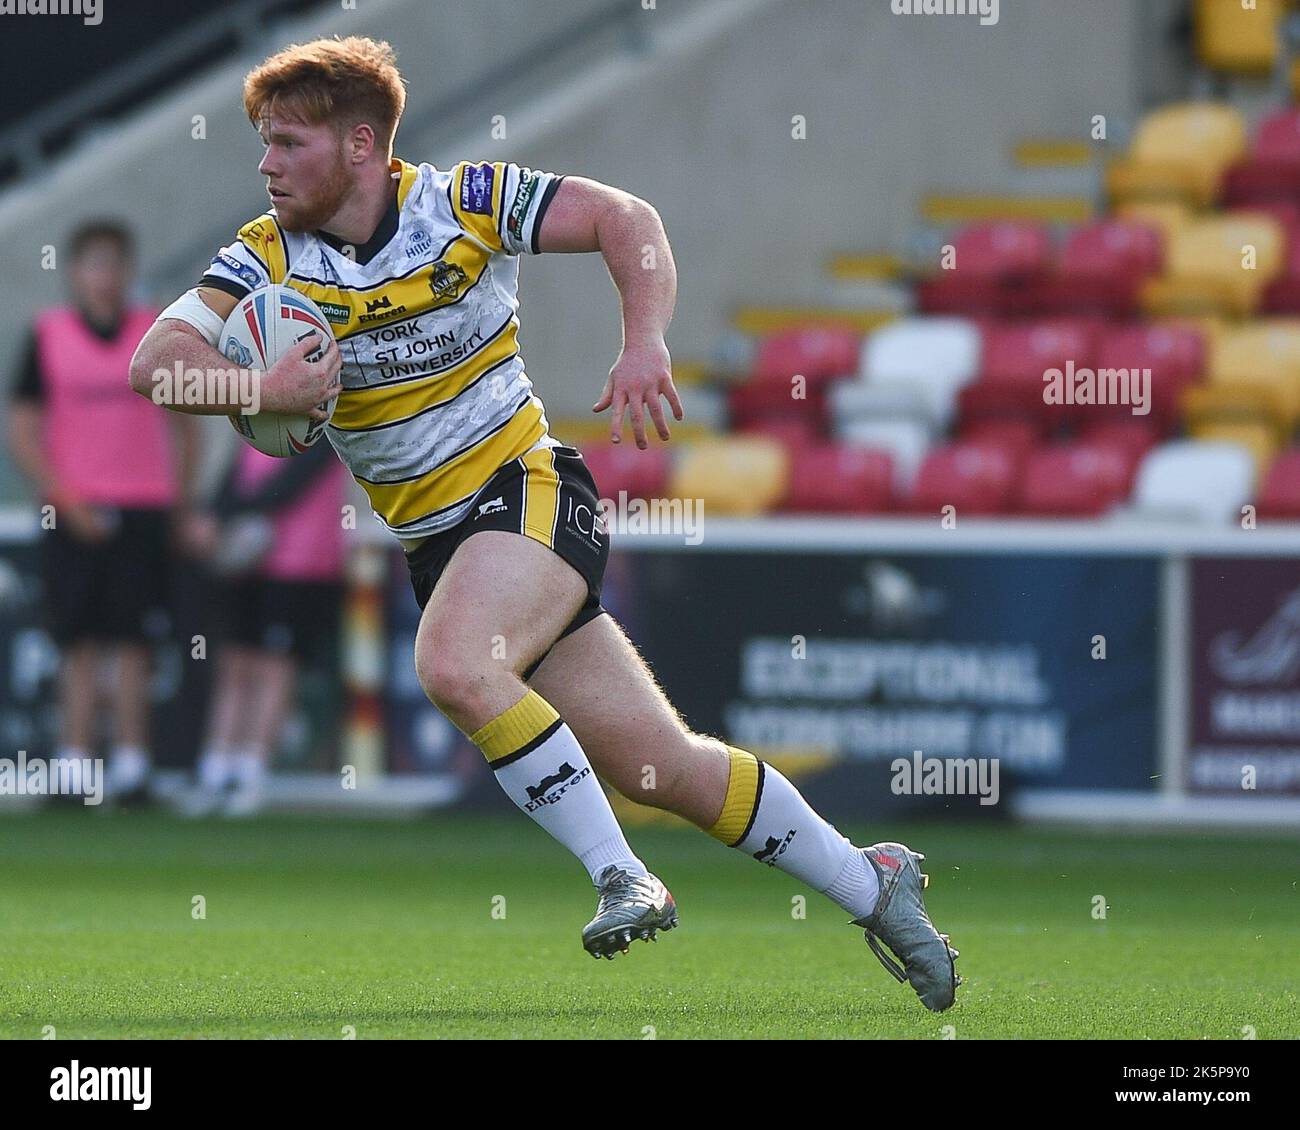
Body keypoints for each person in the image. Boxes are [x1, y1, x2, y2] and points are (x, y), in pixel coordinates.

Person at [128, 36, 959, 1009]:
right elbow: (155, 363)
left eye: (286, 143)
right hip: (441, 543)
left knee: (453, 662)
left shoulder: (460, 203)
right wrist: (255, 384)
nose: (265, 163)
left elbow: (627, 219)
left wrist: (644, 339)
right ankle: (874, 883)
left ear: (360, 145)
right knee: (663, 765)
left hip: (526, 487)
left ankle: (623, 875)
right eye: (261, 144)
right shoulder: (266, 253)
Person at [9, 219, 197, 803]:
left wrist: (180, 502)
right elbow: (21, 431)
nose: (105, 278)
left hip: (144, 505)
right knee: (77, 641)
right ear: (73, 271)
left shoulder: (154, 335)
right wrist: (66, 499)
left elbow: (186, 423)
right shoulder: (46, 336)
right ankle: (74, 768)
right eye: (94, 265)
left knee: (135, 640)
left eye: (115, 265)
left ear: (129, 270)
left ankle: (133, 768)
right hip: (73, 509)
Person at [182, 439, 348, 816]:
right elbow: (236, 471)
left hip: (300, 560)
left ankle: (251, 771)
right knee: (234, 663)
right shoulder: (257, 410)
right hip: (246, 557)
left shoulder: (325, 420)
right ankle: (216, 769)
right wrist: (213, 517)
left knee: (275, 666)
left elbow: (292, 480)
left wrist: (231, 515)